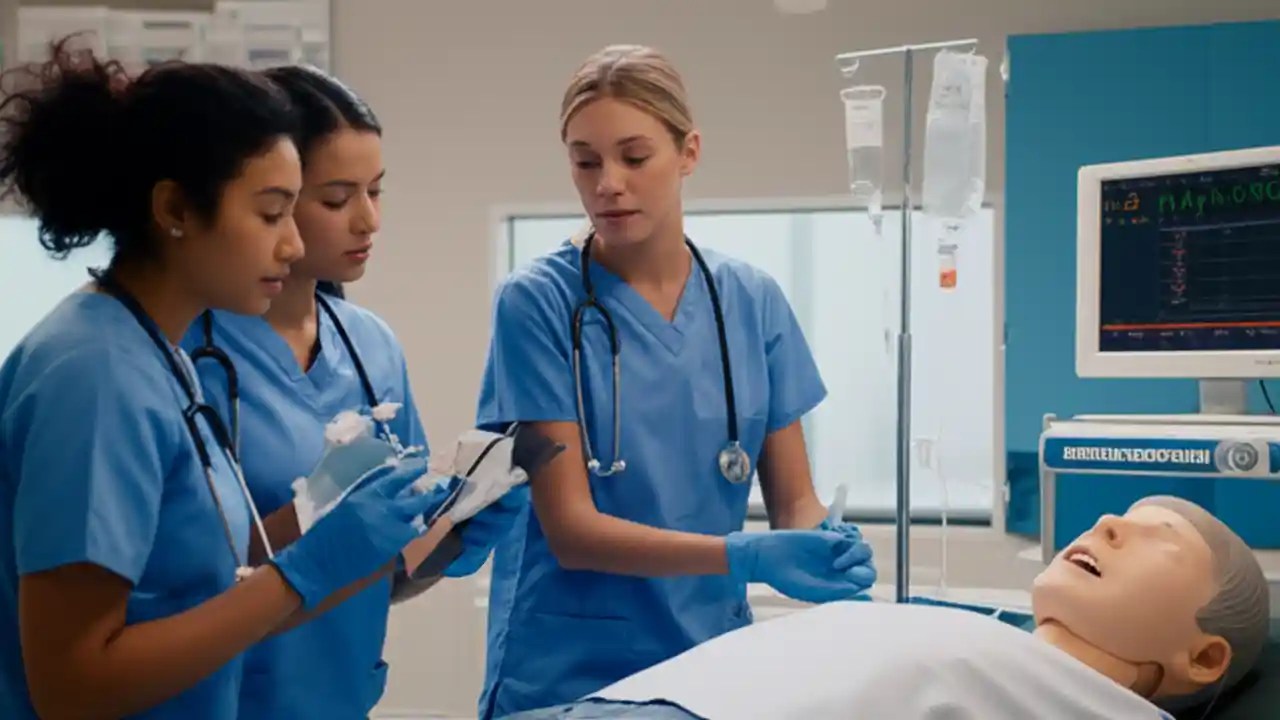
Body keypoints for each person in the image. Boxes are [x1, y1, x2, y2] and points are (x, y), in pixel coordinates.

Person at [0, 46, 445, 719]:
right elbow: (73, 686)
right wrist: (306, 569)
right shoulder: (93, 375)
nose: (294, 246)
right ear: (176, 208)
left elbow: (200, 597)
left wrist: (393, 539)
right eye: (271, 214)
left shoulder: (158, 356)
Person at [474, 44, 876, 718]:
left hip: (708, 668)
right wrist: (746, 556)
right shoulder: (538, 305)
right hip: (566, 674)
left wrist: (824, 545)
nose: (608, 183)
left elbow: (794, 502)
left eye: (635, 157)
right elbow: (571, 530)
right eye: (585, 161)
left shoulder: (751, 301)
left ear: (688, 152)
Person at [179, 64, 528, 719]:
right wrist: (313, 522)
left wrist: (456, 531)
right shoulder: (187, 353)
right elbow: (180, 581)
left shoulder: (370, 346)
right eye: (336, 200)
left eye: (376, 191)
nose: (368, 220)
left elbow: (380, 571)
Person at [505, 496, 1271, 719]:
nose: (1106, 524)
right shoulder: (994, 647)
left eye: (1155, 541)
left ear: (1203, 658)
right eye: (1117, 517)